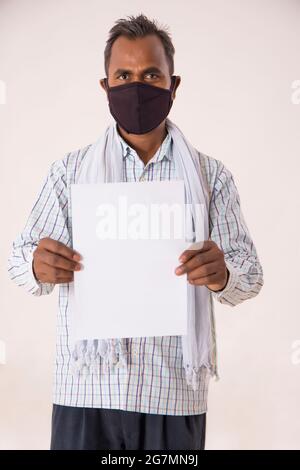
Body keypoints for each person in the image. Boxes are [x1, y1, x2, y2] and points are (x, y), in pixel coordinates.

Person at [7, 13, 264, 450]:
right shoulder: (69, 174)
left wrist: (222, 274)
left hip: (173, 395)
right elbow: (17, 262)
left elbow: (250, 277)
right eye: (123, 75)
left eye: (150, 75)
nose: (137, 87)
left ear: (173, 85)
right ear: (106, 88)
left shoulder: (209, 178)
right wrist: (37, 264)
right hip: (87, 392)